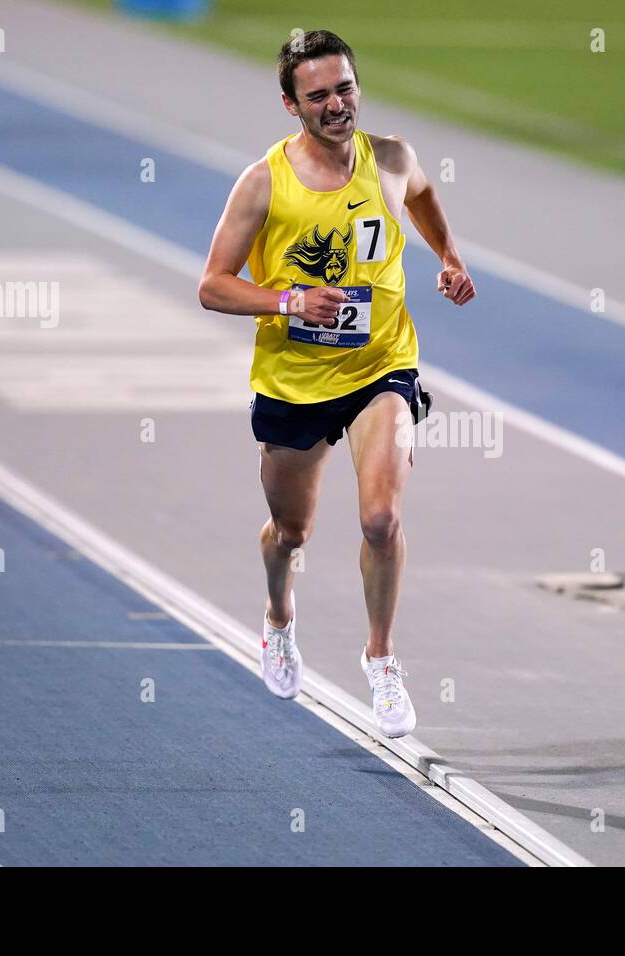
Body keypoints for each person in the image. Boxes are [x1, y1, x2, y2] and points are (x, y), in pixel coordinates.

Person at [198, 30, 475, 737]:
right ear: (291, 105)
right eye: (318, 95)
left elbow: (424, 193)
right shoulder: (264, 183)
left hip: (381, 365)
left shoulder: (390, 157)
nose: (336, 104)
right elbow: (213, 287)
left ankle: (381, 658)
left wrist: (448, 254)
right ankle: (279, 617)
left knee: (381, 519)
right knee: (292, 532)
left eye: (345, 88)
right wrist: (290, 300)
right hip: (294, 381)